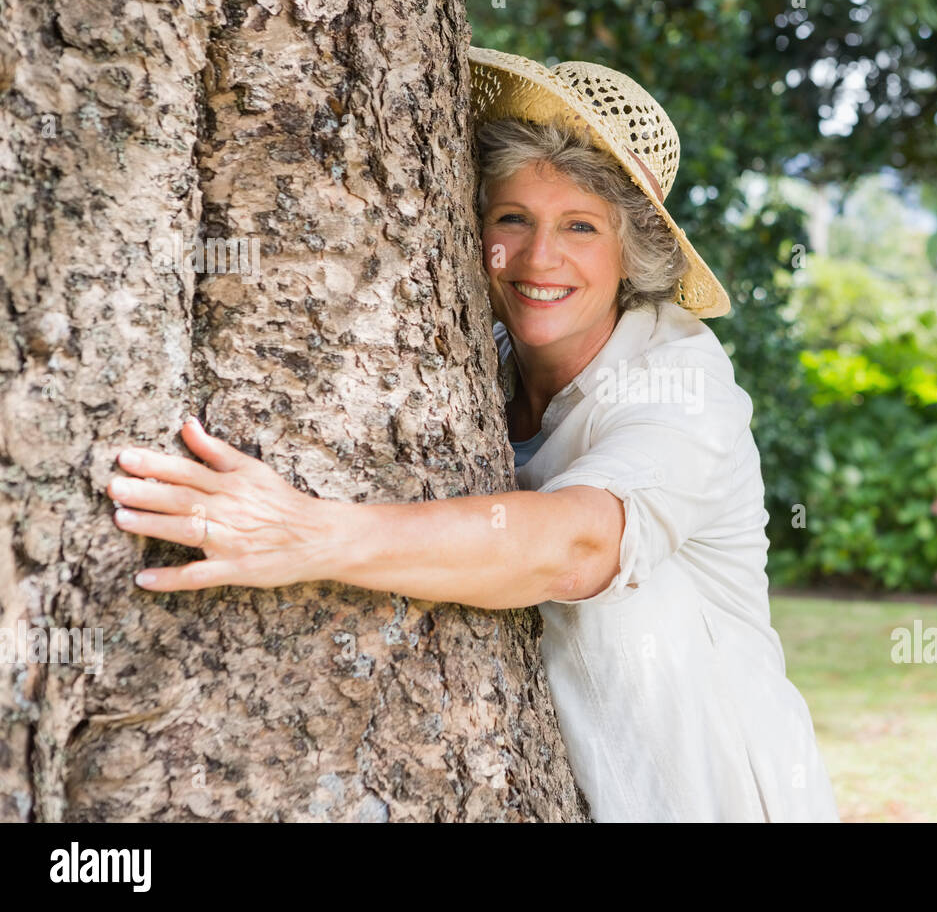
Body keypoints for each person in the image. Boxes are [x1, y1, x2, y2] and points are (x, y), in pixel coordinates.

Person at [105, 46, 840, 822]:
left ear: (632, 256)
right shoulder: (468, 359)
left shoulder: (682, 380)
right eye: (512, 219)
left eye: (581, 227)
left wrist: (312, 534)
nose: (538, 258)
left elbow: (579, 546)